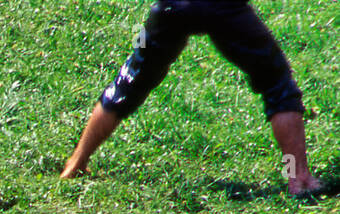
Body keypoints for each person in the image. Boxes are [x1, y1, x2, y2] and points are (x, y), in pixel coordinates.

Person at [60, 0, 322, 196]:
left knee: (128, 79)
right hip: (225, 7)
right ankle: (297, 177)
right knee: (277, 82)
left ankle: (77, 163)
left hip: (170, 8)